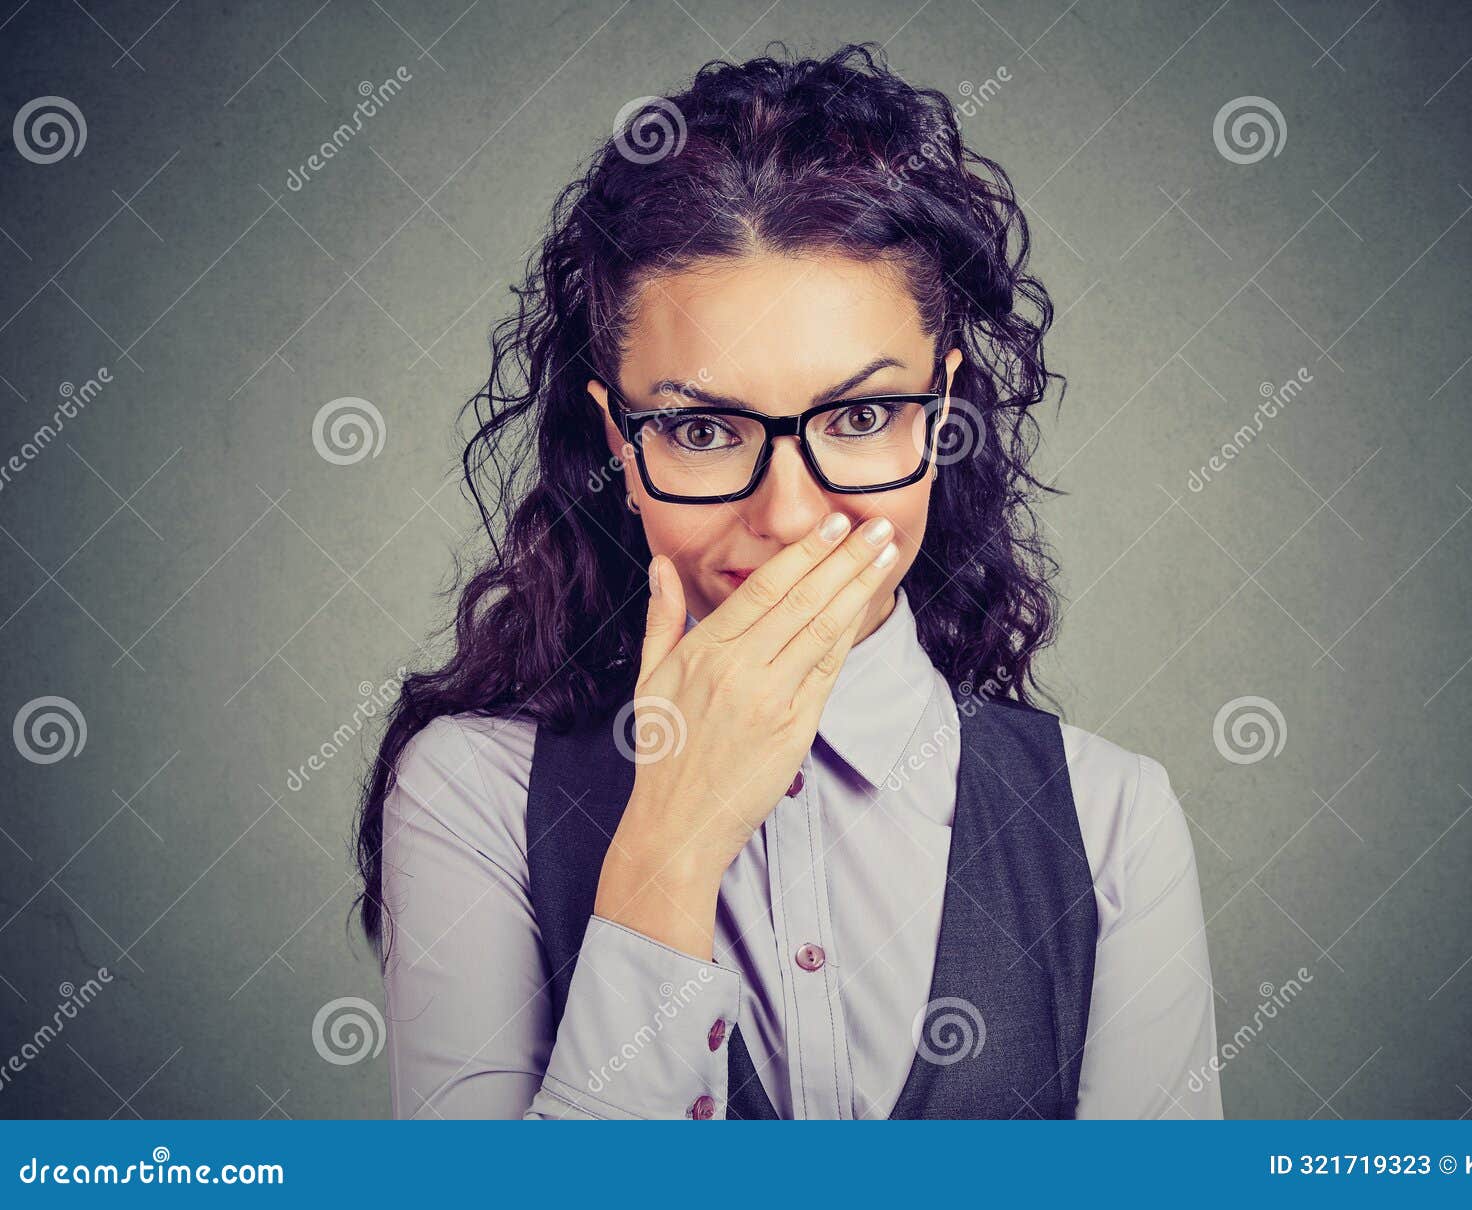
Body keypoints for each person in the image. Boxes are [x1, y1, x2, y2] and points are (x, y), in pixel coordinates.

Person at [353, 41, 1221, 1120]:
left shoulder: (1110, 818)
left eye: (860, 417)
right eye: (704, 427)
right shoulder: (470, 794)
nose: (790, 515)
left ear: (942, 413)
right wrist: (670, 840)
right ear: (619, 442)